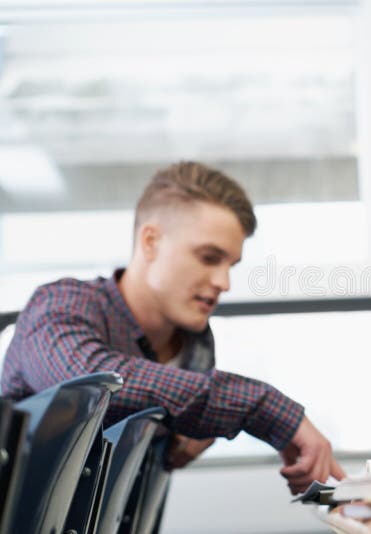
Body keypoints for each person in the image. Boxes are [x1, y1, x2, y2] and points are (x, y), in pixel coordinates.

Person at [1, 161, 345, 494]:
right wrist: (262, 409)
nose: (224, 282)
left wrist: (195, 431)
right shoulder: (59, 306)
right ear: (150, 241)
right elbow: (91, 383)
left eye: (231, 265)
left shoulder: (195, 346)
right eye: (209, 258)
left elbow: (167, 426)